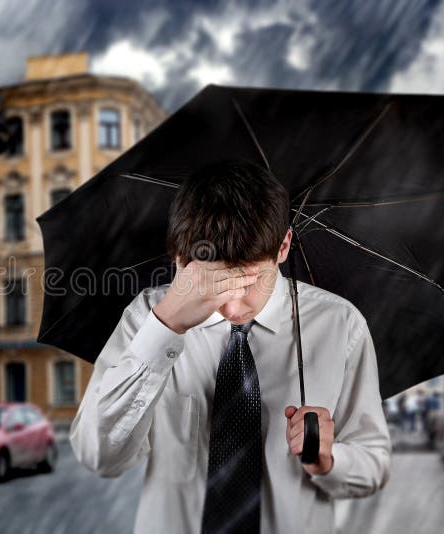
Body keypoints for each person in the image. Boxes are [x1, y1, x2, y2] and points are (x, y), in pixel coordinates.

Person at [69, 159, 392, 533]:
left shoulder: (340, 325)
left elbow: (374, 462)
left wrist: (329, 459)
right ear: (180, 260)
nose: (233, 306)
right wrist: (163, 329)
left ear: (283, 246)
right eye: (216, 283)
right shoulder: (146, 317)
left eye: (250, 280)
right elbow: (99, 457)